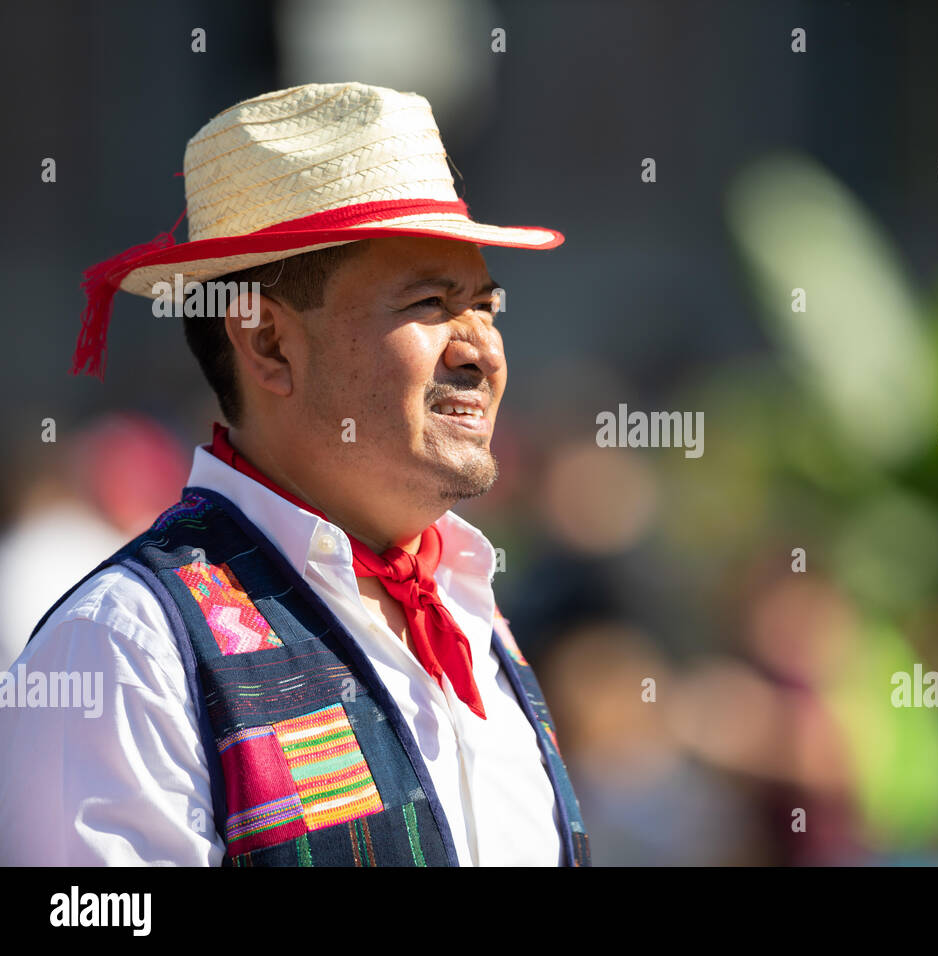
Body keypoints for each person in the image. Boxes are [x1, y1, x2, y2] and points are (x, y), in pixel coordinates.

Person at [0, 82, 590, 866]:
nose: (481, 348)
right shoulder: (126, 649)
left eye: (486, 304)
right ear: (269, 344)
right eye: (430, 302)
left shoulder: (471, 609)